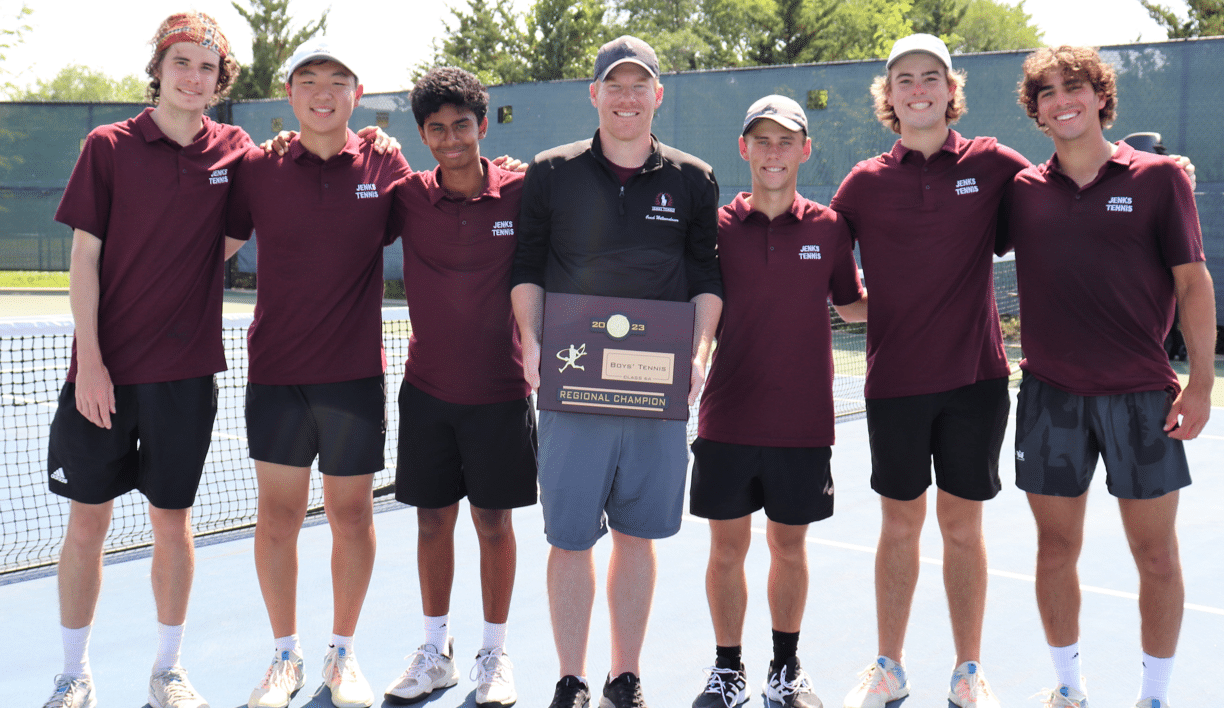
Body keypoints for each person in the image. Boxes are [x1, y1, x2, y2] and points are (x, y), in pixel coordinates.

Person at [510, 35, 723, 708]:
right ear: (594, 93)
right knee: (570, 539)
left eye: (640, 86)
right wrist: (532, 340)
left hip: (655, 391)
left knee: (636, 537)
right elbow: (527, 268)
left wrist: (698, 352)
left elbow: (706, 278)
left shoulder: (694, 178)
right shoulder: (550, 172)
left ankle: (623, 675)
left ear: (658, 95)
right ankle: (571, 679)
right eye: (614, 84)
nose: (627, 97)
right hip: (572, 385)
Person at [42, 12, 248, 708]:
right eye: (181, 62)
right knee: (87, 524)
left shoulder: (236, 152)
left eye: (207, 67)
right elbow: (85, 259)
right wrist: (91, 363)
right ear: (158, 69)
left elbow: (243, 225)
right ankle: (74, 675)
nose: (194, 77)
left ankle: (167, 672)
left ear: (221, 82)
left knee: (172, 522)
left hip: (186, 376)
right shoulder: (107, 146)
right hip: (103, 375)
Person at [1006, 45, 1215, 708]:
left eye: (1075, 86)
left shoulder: (1159, 180)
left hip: (1141, 399)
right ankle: (1068, 688)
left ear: (1100, 96)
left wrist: (1202, 383)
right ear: (1036, 111)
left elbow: (1193, 282)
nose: (1062, 100)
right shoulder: (1020, 191)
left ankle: (1153, 696)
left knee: (1156, 559)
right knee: (1053, 550)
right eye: (1048, 92)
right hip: (1048, 399)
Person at [831, 34, 1025, 708]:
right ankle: (890, 666)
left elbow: (1064, 189)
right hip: (894, 385)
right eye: (904, 80)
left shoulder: (994, 163)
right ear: (890, 96)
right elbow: (822, 255)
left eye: (930, 78)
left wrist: (1143, 164)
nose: (918, 89)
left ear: (950, 89)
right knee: (901, 527)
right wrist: (859, 308)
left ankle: (967, 670)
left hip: (976, 382)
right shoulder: (862, 182)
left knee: (963, 529)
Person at [225, 39, 411, 708]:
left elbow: (444, 201)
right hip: (275, 376)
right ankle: (284, 657)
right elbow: (206, 245)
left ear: (356, 96)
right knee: (275, 517)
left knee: (352, 515)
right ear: (290, 93)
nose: (322, 90)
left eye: (337, 79)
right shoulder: (257, 167)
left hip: (354, 378)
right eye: (308, 78)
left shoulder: (385, 162)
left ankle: (343, 654)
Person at [689, 95, 867, 708]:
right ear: (744, 148)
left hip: (803, 423)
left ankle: (785, 670)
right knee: (727, 549)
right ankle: (728, 670)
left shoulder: (829, 227)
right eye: (761, 140)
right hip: (726, 421)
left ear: (804, 150)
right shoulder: (713, 228)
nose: (772, 152)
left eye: (785, 140)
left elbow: (852, 304)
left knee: (788, 547)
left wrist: (936, 288)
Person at [381, 67, 536, 708]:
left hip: (501, 395)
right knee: (430, 523)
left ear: (483, 123)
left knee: (494, 525)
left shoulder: (525, 190)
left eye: (462, 126)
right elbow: (351, 177)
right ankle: (435, 650)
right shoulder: (407, 196)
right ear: (423, 134)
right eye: (437, 129)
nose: (451, 139)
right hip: (427, 394)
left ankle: (494, 656)